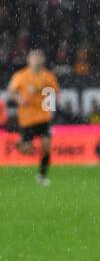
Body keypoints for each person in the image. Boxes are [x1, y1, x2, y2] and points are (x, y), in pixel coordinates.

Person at [6, 49, 59, 186]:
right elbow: (11, 92)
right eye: (34, 57)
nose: (37, 60)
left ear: (43, 60)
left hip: (43, 117)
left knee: (46, 146)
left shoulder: (48, 76)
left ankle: (41, 176)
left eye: (39, 57)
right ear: (29, 60)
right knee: (26, 150)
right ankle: (21, 144)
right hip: (27, 119)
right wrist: (19, 99)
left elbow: (56, 93)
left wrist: (50, 103)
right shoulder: (21, 76)